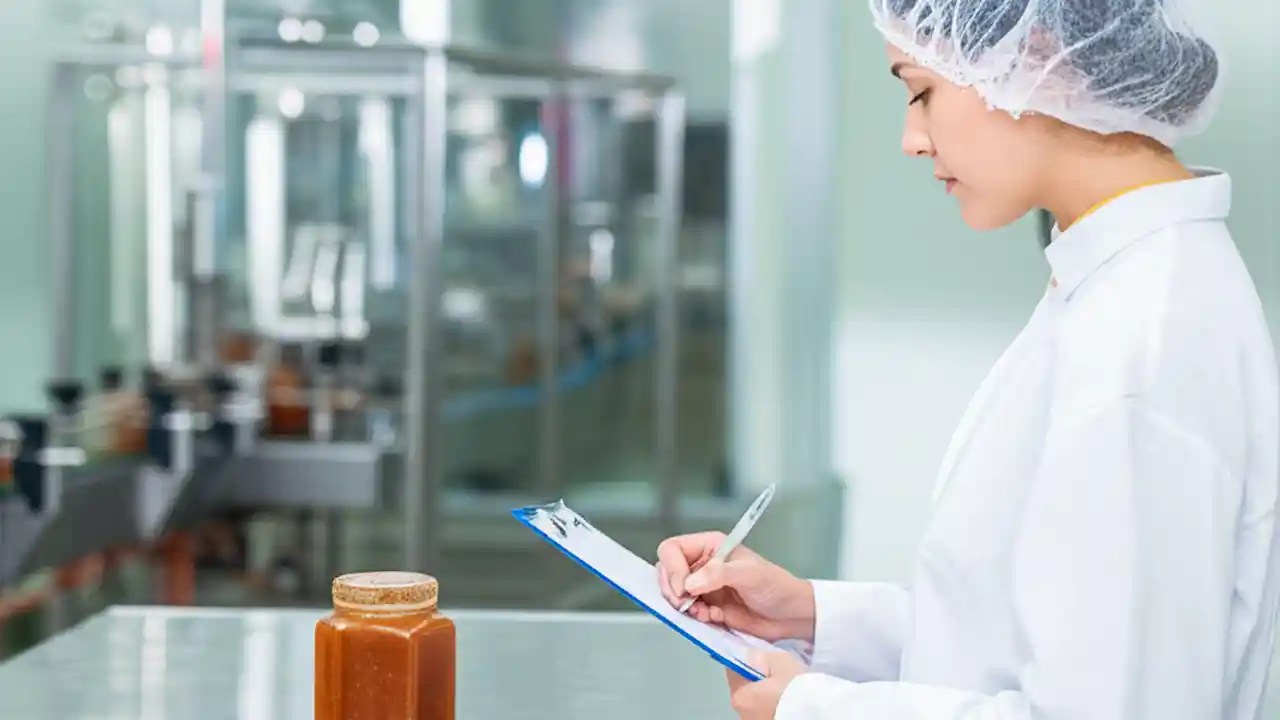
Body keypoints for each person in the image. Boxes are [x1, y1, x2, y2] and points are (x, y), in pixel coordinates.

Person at [657, 0, 1280, 718]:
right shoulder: (1120, 287)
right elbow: (1026, 635)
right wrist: (809, 613)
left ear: (1035, 56)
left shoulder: (1142, 342)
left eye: (921, 91)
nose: (911, 140)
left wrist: (815, 707)